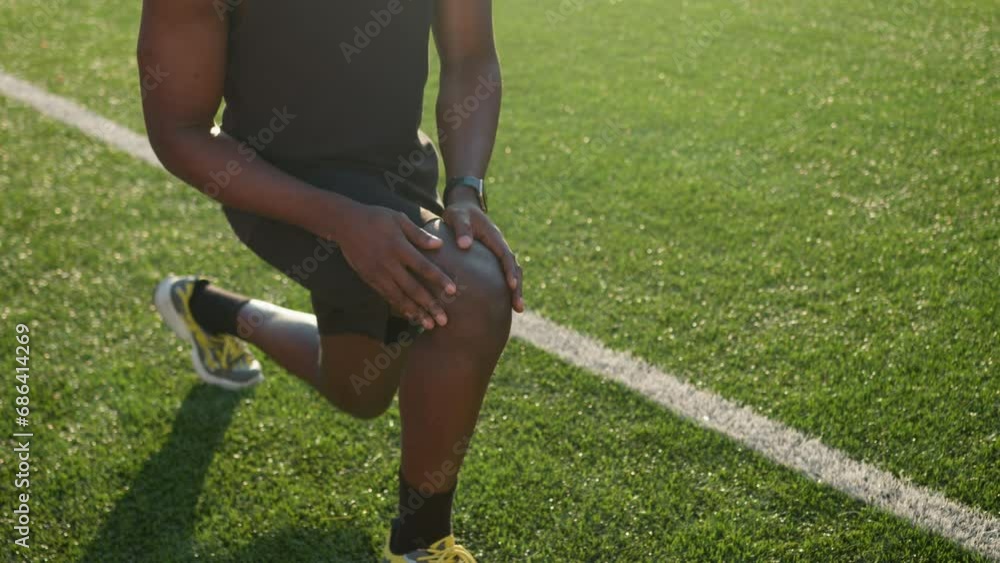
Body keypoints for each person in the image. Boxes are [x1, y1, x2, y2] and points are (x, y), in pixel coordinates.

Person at [137, 1, 522, 560]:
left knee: (358, 392)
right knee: (471, 288)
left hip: (394, 175)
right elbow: (179, 130)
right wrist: (340, 221)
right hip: (276, 183)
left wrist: (464, 188)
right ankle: (422, 543)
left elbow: (470, 58)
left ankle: (215, 310)